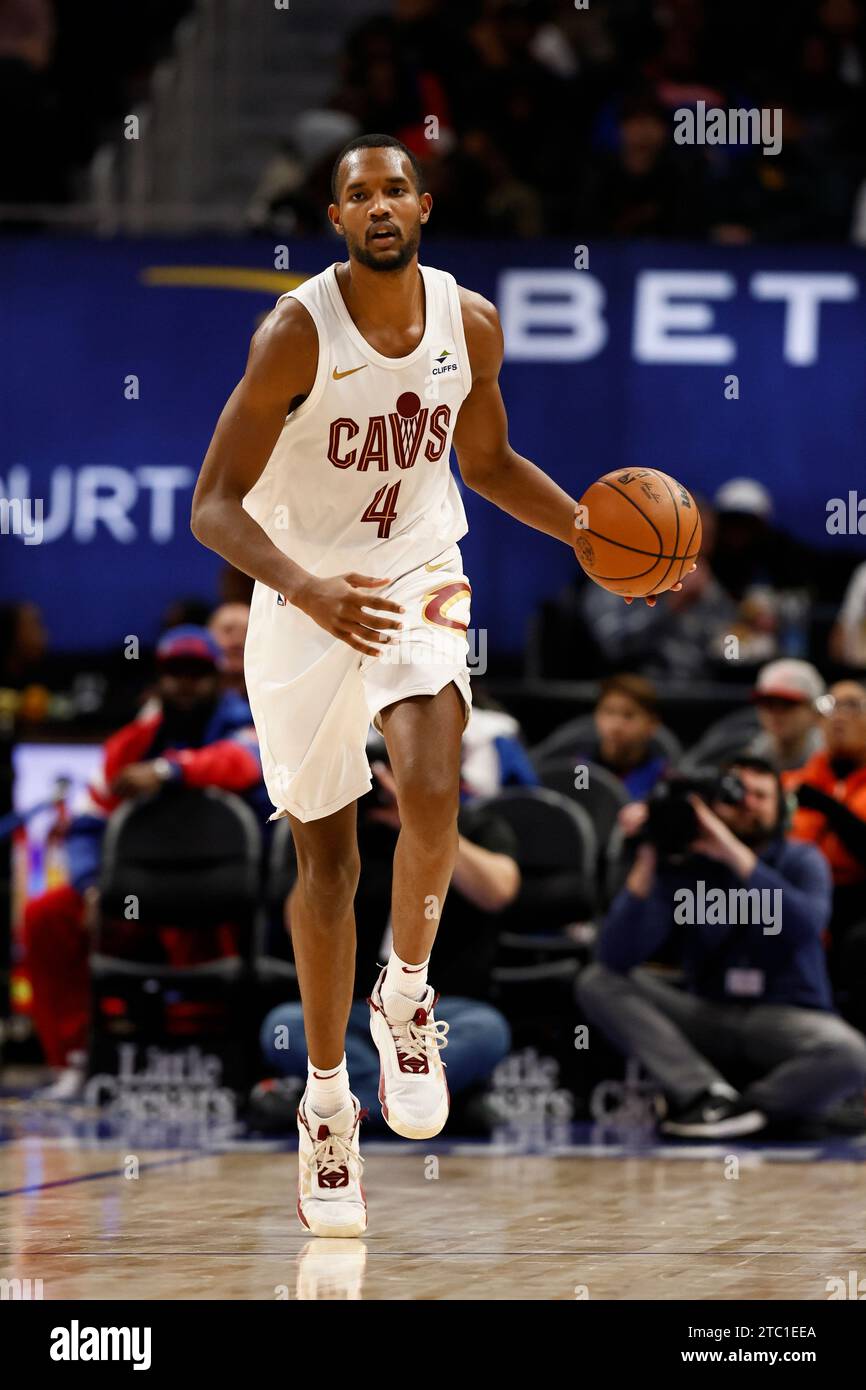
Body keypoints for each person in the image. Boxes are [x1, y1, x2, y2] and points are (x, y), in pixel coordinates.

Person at [190, 132, 693, 1238]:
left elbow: (484, 464)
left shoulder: (470, 324)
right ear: (336, 219)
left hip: (418, 564)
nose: (377, 204)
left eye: (393, 188)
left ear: (422, 204)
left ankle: (404, 990)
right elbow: (212, 507)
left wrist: (581, 529)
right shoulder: (293, 333)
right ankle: (328, 1108)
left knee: (430, 780)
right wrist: (307, 590)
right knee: (325, 865)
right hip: (300, 594)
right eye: (355, 193)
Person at [23, 626, 266, 1099]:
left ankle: (224, 1062)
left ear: (217, 676)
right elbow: (86, 824)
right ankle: (75, 1060)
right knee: (47, 914)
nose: (186, 683)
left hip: (220, 904)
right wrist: (93, 886)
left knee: (217, 927)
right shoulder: (129, 744)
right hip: (137, 902)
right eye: (175, 671)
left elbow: (244, 762)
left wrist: (168, 772)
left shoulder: (248, 721)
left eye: (197, 672)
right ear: (159, 678)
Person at [577, 756, 866, 1138]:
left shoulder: (802, 859)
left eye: (760, 796)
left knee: (851, 1054)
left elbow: (802, 927)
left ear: (782, 807)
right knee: (598, 980)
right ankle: (704, 1093)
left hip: (786, 1015)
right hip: (707, 1011)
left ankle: (748, 1108)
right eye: (736, 793)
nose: (747, 803)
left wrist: (730, 850)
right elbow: (616, 955)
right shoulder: (687, 866)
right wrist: (649, 857)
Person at [259, 758, 518, 1131]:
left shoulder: (477, 824)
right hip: (354, 1010)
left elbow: (499, 891)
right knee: (283, 1024)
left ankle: (348, 1113)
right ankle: (407, 1109)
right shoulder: (342, 833)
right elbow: (294, 922)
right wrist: (325, 858)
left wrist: (423, 829)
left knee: (489, 1029)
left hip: (442, 1015)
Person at [782, 680, 866, 1029]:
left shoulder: (810, 796)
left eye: (853, 706)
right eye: (830, 707)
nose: (839, 717)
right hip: (797, 899)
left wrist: (829, 808)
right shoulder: (790, 785)